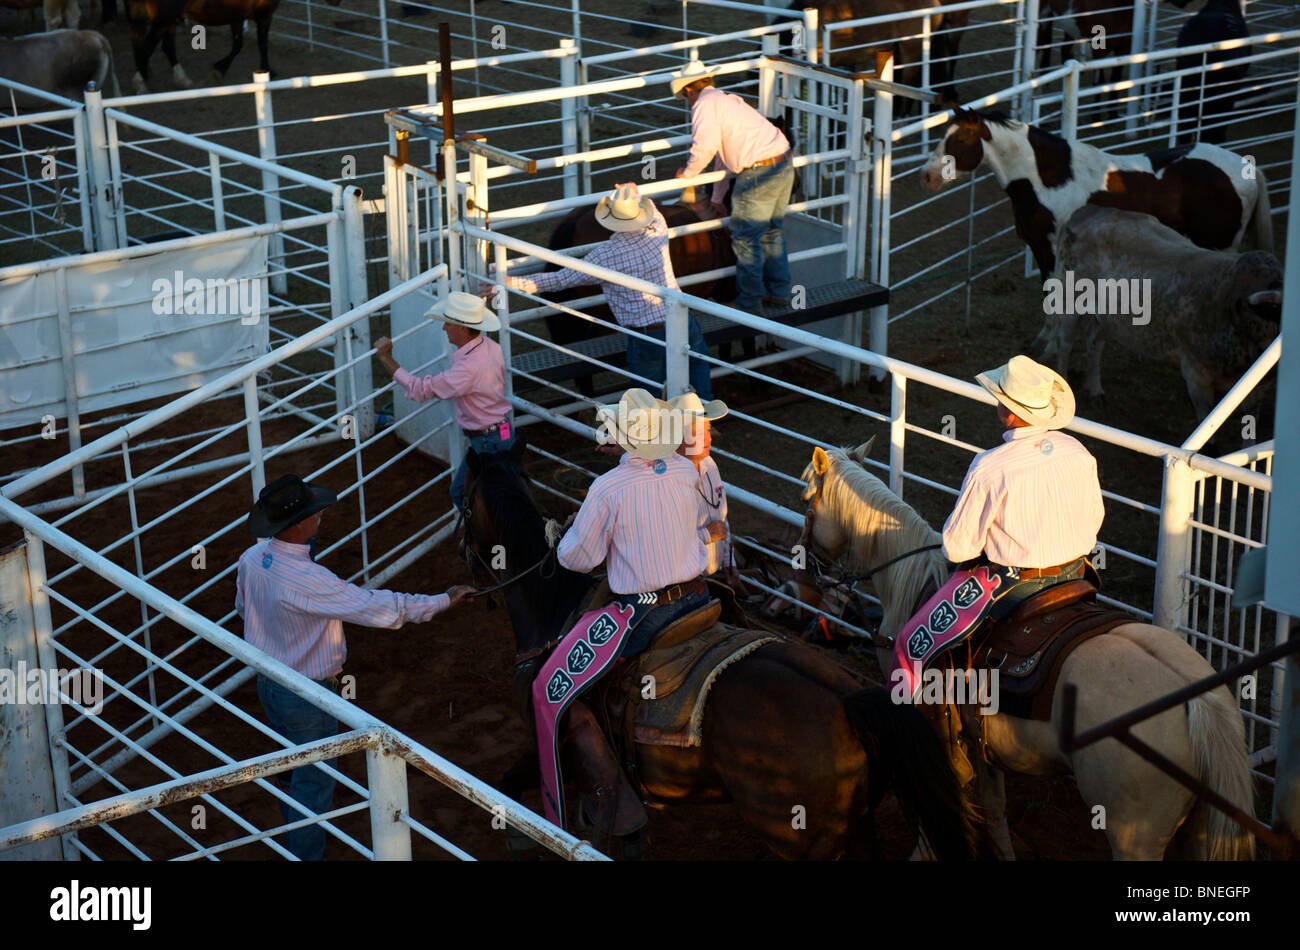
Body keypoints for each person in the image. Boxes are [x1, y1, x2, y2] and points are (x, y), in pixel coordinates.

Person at [235, 473, 473, 860]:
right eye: (314, 512)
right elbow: (380, 608)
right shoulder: (311, 580)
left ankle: (294, 842)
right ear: (299, 524)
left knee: (291, 771)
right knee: (314, 785)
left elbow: (243, 609)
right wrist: (443, 600)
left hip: (270, 683)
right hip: (308, 694)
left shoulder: (251, 560)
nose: (321, 515)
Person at [492, 182, 714, 400]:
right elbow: (654, 211)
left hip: (647, 333)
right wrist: (632, 193)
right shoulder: (657, 229)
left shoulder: (604, 256)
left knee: (647, 393)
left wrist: (511, 281)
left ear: (610, 221)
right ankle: (702, 419)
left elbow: (561, 280)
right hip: (681, 319)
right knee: (696, 363)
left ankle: (652, 433)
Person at [942, 354, 1105, 618]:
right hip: (1077, 573)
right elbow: (1095, 518)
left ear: (1005, 410)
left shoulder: (989, 467)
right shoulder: (1078, 451)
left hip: (1019, 587)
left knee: (933, 641)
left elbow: (957, 547)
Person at [557, 387, 711, 659]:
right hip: (698, 596)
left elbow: (580, 560)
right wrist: (631, 447)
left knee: (586, 671)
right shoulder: (686, 470)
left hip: (646, 611)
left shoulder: (607, 488)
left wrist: (563, 538)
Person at [672, 59, 793, 315]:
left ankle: (749, 304)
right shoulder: (728, 101)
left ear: (689, 90)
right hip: (782, 162)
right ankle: (779, 293)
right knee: (771, 231)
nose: (687, 101)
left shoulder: (704, 105)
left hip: (757, 172)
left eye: (684, 96)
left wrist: (689, 174)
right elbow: (722, 155)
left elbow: (705, 147)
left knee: (746, 239)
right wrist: (717, 197)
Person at [373, 292, 513, 512]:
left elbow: (419, 390)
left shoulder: (467, 369)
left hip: (487, 441)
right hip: (502, 431)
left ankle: (483, 540)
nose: (443, 328)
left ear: (462, 329)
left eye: (447, 323)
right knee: (502, 493)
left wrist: (386, 358)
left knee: (462, 492)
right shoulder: (489, 347)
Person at [670, 391, 740, 587]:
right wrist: (707, 534)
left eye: (708, 430)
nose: (708, 439)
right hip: (682, 582)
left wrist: (728, 560)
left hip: (712, 574)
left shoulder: (709, 464)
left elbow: (722, 517)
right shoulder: (667, 481)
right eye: (699, 433)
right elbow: (666, 539)